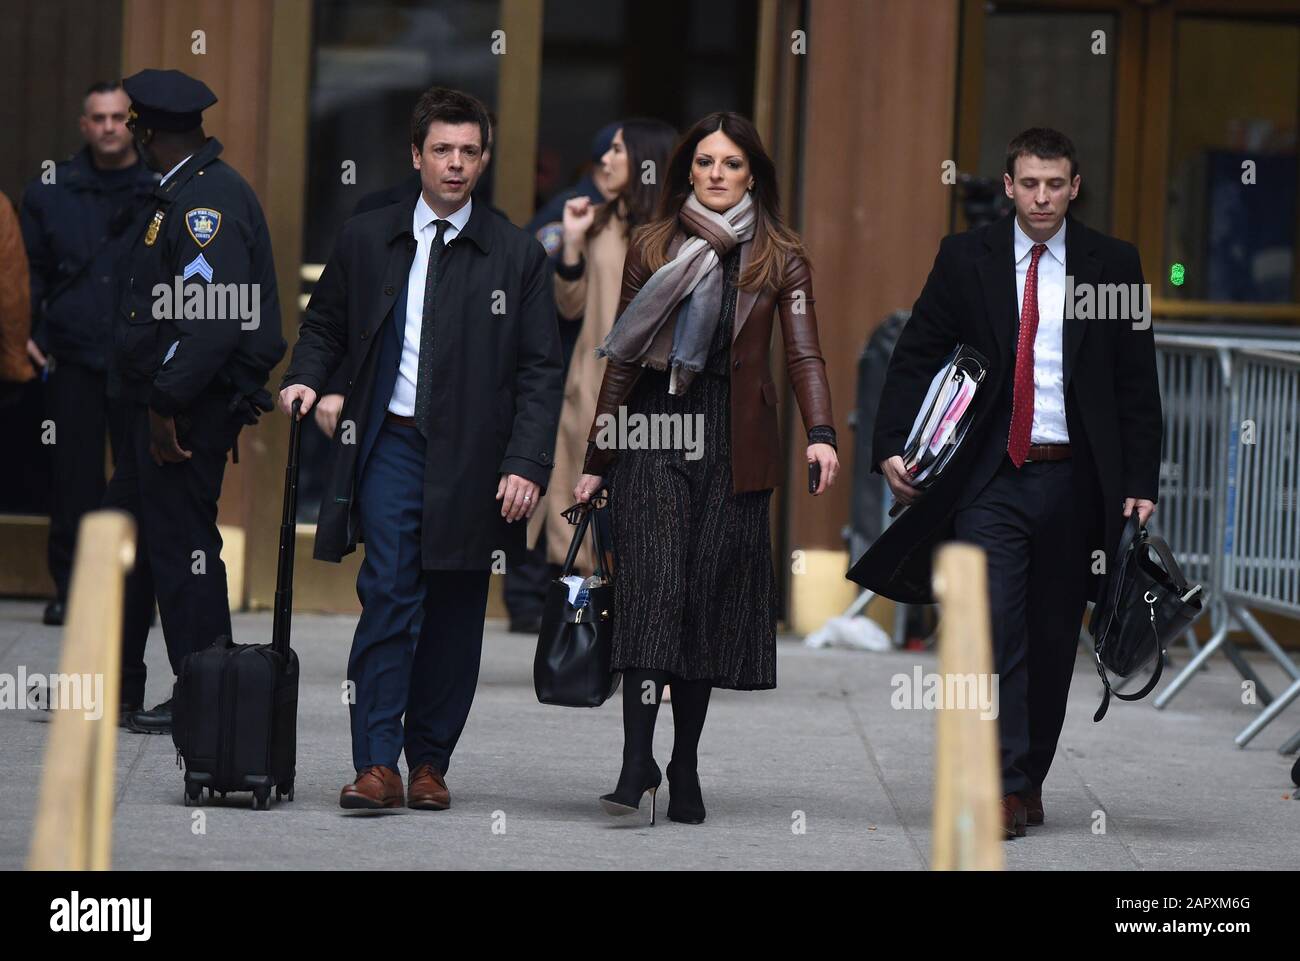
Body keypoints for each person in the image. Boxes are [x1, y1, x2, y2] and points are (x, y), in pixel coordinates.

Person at [849, 127, 1162, 838]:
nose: (1043, 196)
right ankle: (1003, 783)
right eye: (1030, 183)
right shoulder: (968, 258)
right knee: (991, 626)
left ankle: (1026, 778)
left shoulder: (1113, 265)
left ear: (1074, 186)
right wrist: (892, 445)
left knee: (1052, 637)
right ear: (1010, 183)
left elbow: (1136, 381)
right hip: (990, 474)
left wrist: (1140, 476)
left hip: (1077, 479)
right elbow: (918, 347)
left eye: (1056, 184)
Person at [278, 86, 562, 811]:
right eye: (442, 149)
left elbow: (540, 371)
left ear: (486, 158)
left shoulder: (516, 254)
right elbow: (325, 327)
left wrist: (526, 463)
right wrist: (309, 382)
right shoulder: (368, 236)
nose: (456, 164)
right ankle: (376, 762)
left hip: (475, 457)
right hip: (392, 445)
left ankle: (430, 760)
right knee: (389, 595)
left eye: (470, 150)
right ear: (416, 154)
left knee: (457, 608)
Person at [573, 111, 840, 825]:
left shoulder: (781, 256)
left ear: (753, 174)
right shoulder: (653, 243)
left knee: (703, 604)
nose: (717, 174)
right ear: (686, 169)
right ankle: (637, 758)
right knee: (654, 589)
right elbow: (624, 358)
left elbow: (804, 352)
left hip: (733, 441)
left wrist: (821, 432)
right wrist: (597, 459)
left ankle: (684, 759)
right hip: (655, 430)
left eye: (732, 164)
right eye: (706, 162)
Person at [107, 68, 285, 734]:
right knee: (123, 536)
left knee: (185, 549)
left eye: (133, 123)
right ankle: (117, 683)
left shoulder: (207, 204)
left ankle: (208, 692)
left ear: (147, 130)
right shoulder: (180, 190)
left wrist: (163, 406)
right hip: (159, 402)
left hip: (187, 411)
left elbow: (210, 326)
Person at [20, 81, 158, 626]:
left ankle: (131, 595)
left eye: (118, 117)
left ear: (133, 123)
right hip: (72, 357)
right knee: (72, 480)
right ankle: (73, 590)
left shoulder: (159, 191)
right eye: (97, 118)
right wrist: (26, 330)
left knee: (138, 481)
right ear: (84, 125)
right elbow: (26, 268)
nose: (107, 127)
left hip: (138, 361)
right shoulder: (51, 191)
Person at [535, 118, 677, 576]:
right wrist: (572, 245)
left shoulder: (677, 231)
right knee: (578, 511)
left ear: (645, 161)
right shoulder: (598, 221)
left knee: (640, 521)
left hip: (652, 398)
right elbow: (570, 306)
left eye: (618, 151)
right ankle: (585, 622)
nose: (606, 160)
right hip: (590, 388)